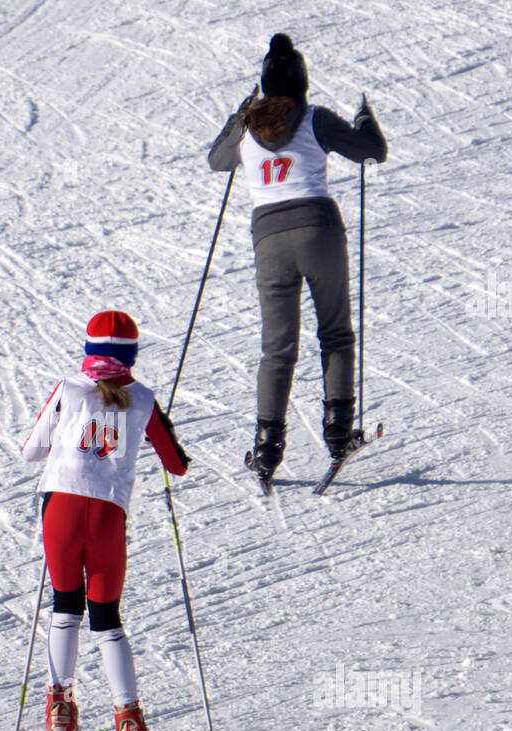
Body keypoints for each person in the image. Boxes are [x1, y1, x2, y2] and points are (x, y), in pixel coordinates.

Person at [208, 33, 388, 479]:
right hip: (319, 229)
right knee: (336, 334)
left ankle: (268, 446)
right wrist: (365, 120)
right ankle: (338, 431)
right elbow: (372, 153)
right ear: (303, 83)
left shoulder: (247, 127)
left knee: (277, 349)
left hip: (269, 239)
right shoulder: (313, 118)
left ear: (265, 84)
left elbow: (217, 161)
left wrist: (239, 113)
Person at [20, 310, 190, 731]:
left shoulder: (68, 388)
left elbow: (30, 451)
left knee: (65, 606)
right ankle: (131, 725)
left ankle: (59, 709)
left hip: (60, 510)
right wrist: (157, 427)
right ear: (132, 355)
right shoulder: (144, 399)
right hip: (107, 515)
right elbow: (177, 465)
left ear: (89, 350)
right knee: (106, 619)